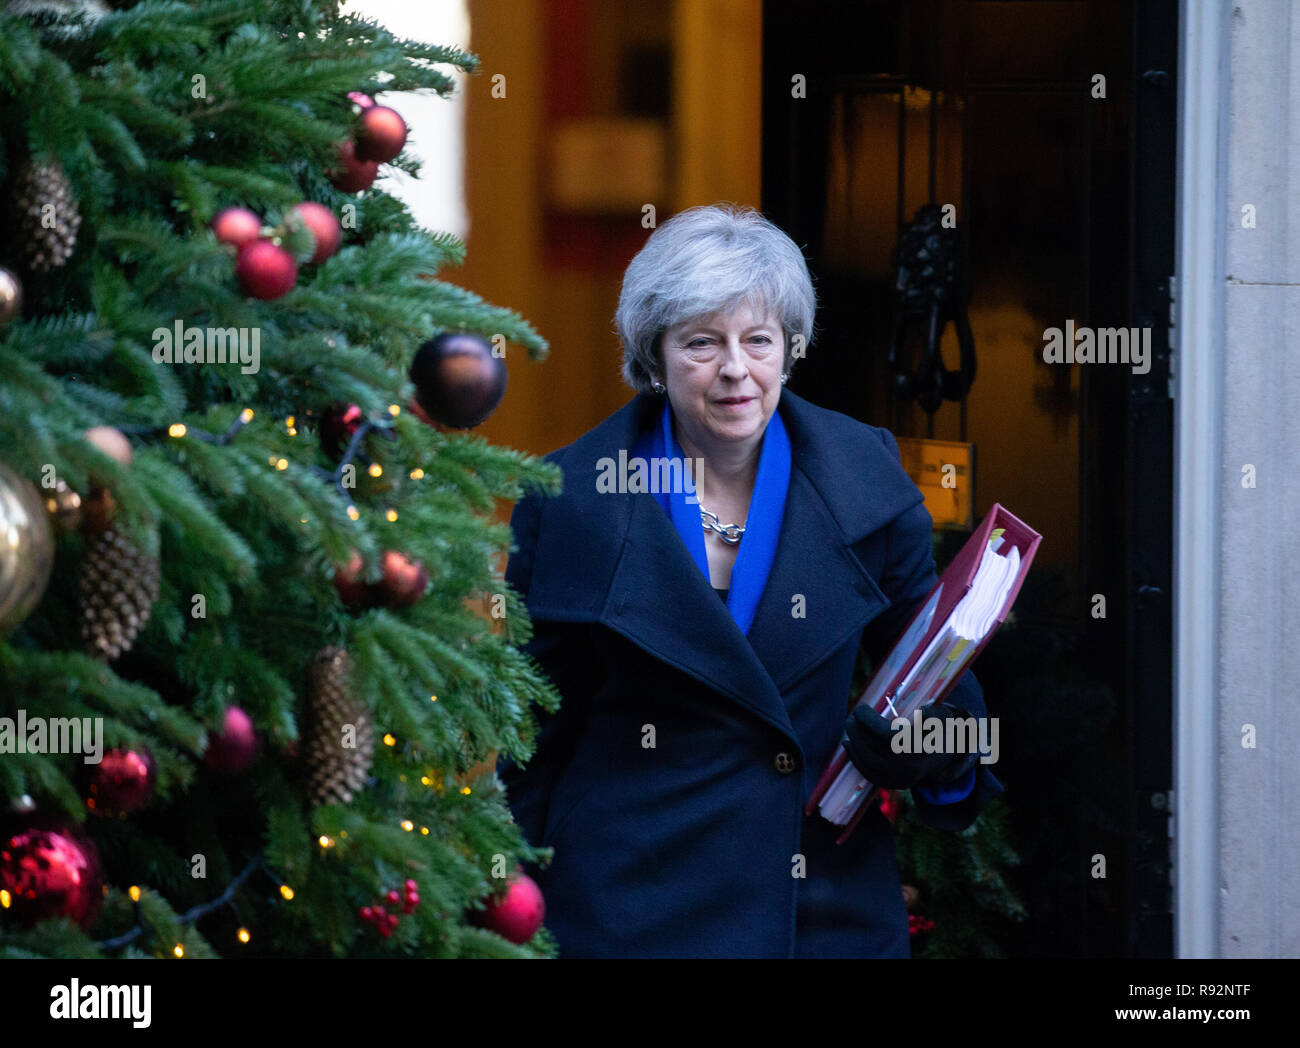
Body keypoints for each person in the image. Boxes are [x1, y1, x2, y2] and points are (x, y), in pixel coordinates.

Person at [498, 204, 1003, 958]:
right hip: (627, 903)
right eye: (702, 342)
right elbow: (535, 724)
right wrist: (511, 901)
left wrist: (934, 745)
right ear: (655, 355)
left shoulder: (866, 475)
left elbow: (936, 662)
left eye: (758, 340)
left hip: (817, 906)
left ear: (788, 350)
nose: (736, 368)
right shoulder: (572, 496)